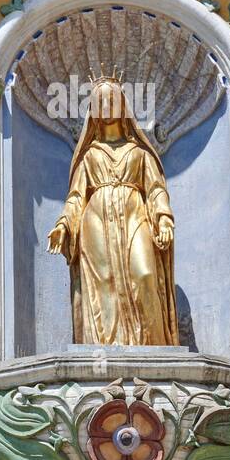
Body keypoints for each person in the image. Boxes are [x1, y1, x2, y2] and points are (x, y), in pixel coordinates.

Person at [47, 75, 178, 346]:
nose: (106, 105)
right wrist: (63, 225)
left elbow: (155, 189)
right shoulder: (88, 155)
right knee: (103, 287)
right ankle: (104, 347)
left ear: (122, 105)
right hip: (95, 221)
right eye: (100, 101)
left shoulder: (140, 153)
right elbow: (75, 198)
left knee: (144, 274)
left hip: (134, 217)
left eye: (111, 99)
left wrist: (163, 218)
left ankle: (153, 347)